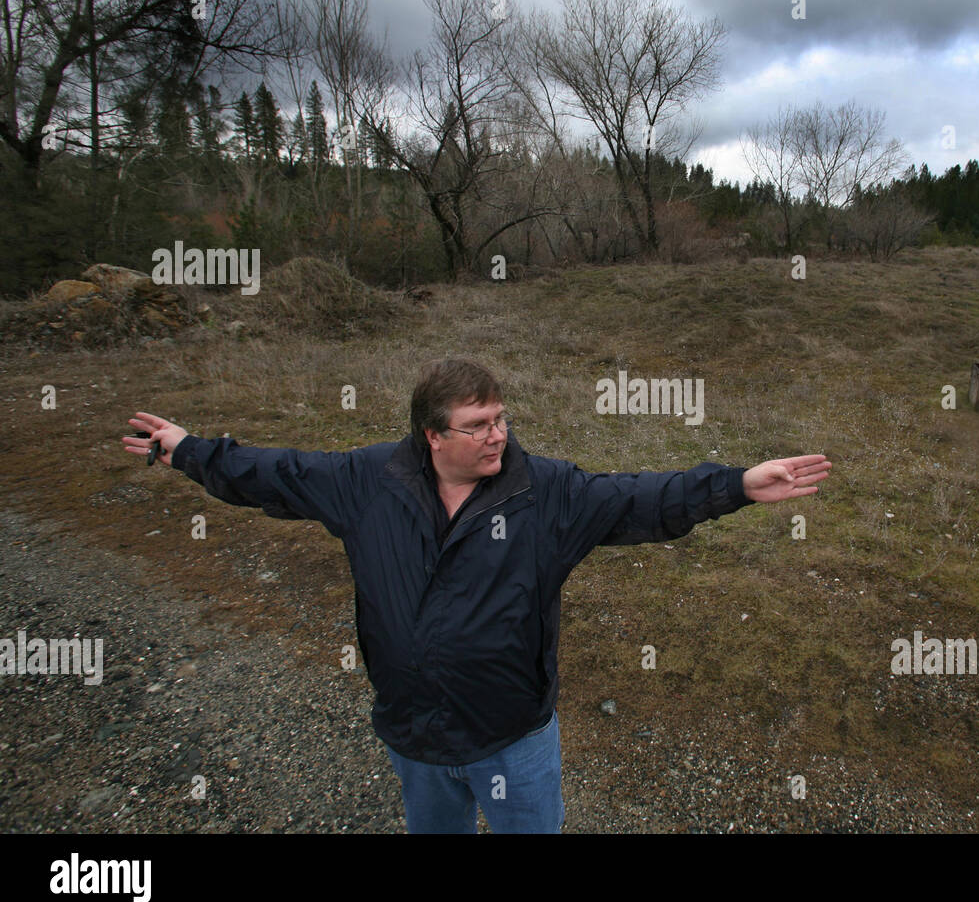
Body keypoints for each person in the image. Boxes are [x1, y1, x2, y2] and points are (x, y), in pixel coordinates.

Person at [121, 357, 831, 833]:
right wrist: (186, 448)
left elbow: (643, 498)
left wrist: (736, 484)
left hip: (512, 739)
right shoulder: (367, 483)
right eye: (477, 427)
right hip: (417, 734)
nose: (498, 436)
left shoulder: (545, 493)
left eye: (500, 419)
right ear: (432, 437)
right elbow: (271, 474)